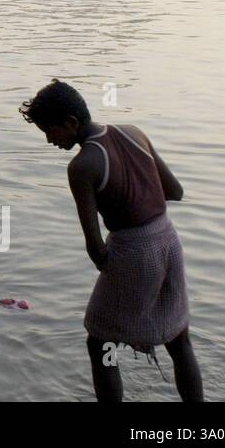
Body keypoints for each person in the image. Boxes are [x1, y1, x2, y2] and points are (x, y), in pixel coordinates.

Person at [20, 79, 203, 402]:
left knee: (100, 342)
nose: (50, 140)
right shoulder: (134, 133)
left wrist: (115, 268)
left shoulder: (83, 166)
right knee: (179, 339)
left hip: (135, 251)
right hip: (169, 241)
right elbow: (176, 191)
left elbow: (95, 247)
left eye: (51, 131)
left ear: (71, 123)